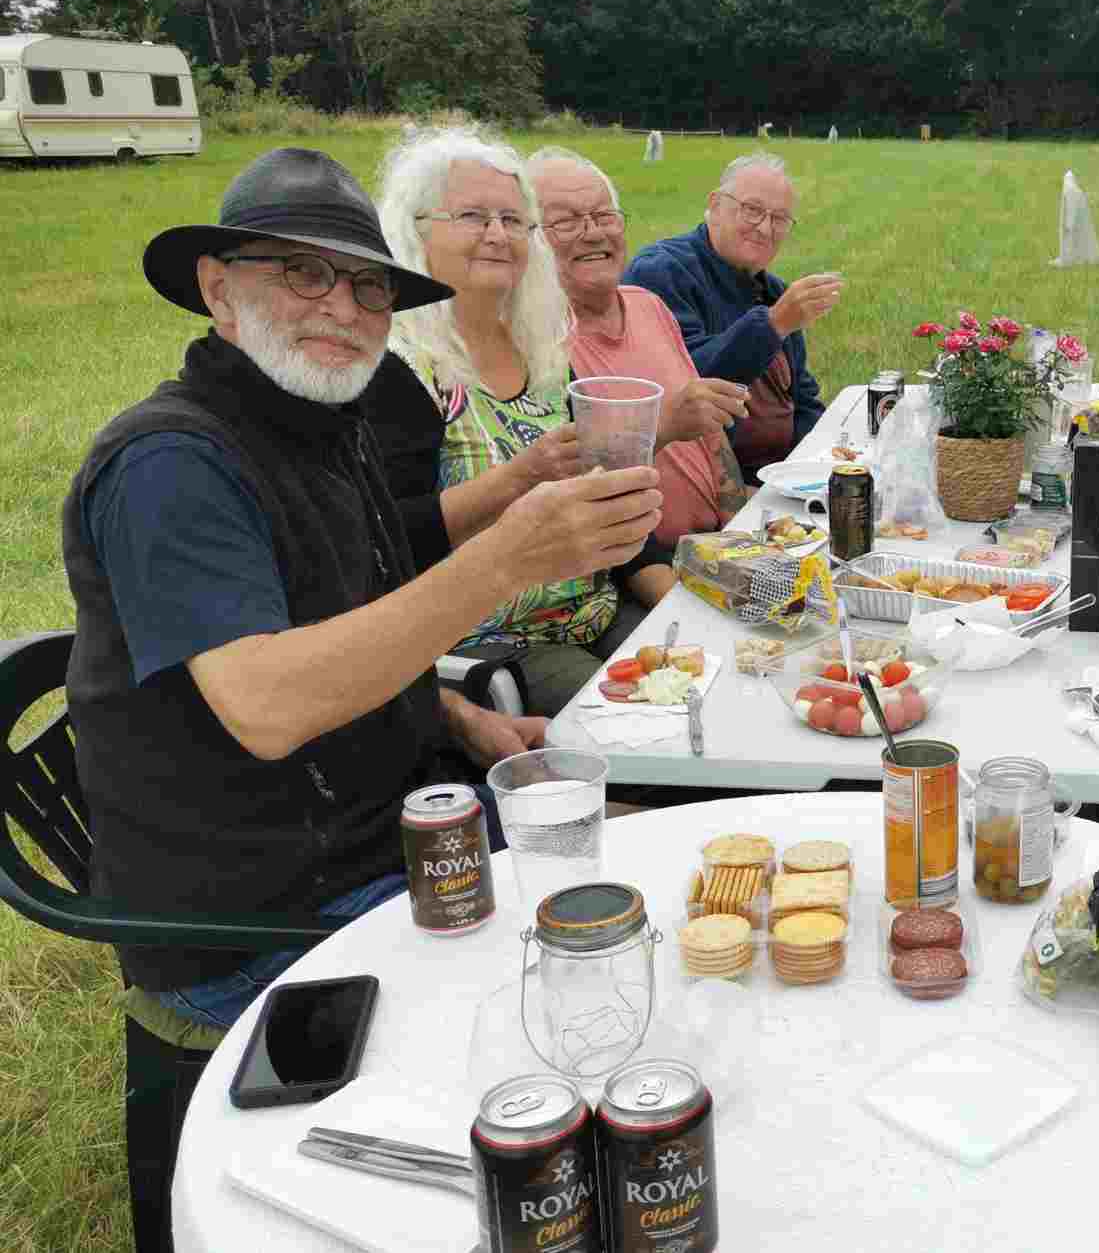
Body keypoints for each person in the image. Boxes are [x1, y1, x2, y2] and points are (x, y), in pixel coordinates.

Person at [63, 147, 662, 1249]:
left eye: (367, 284)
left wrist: (459, 717)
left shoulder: (322, 427)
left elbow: (360, 606)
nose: (341, 307)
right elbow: (267, 700)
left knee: (647, 872)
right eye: (300, 274)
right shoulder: (170, 465)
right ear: (216, 287)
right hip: (260, 911)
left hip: (393, 829)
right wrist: (505, 562)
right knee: (596, 1001)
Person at [365, 127, 691, 716]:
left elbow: (600, 500)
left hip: (595, 603)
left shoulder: (543, 352)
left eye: (514, 221)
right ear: (415, 231)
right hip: (487, 638)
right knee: (649, 721)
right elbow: (386, 541)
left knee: (716, 674)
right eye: (471, 215)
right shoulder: (403, 366)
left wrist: (675, 598)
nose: (497, 234)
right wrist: (517, 478)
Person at [524, 145, 753, 547]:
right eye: (566, 221)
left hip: (715, 548)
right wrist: (662, 426)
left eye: (603, 215)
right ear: (529, 237)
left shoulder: (649, 306)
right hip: (638, 569)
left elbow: (710, 434)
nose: (593, 233)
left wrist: (741, 535)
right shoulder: (535, 343)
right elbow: (571, 485)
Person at [623, 151, 838, 476]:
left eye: (779, 219)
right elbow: (688, 384)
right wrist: (773, 324)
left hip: (783, 483)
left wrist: (823, 466)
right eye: (752, 210)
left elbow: (803, 402)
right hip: (718, 488)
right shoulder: (662, 272)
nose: (764, 228)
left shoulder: (773, 291)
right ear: (715, 205)